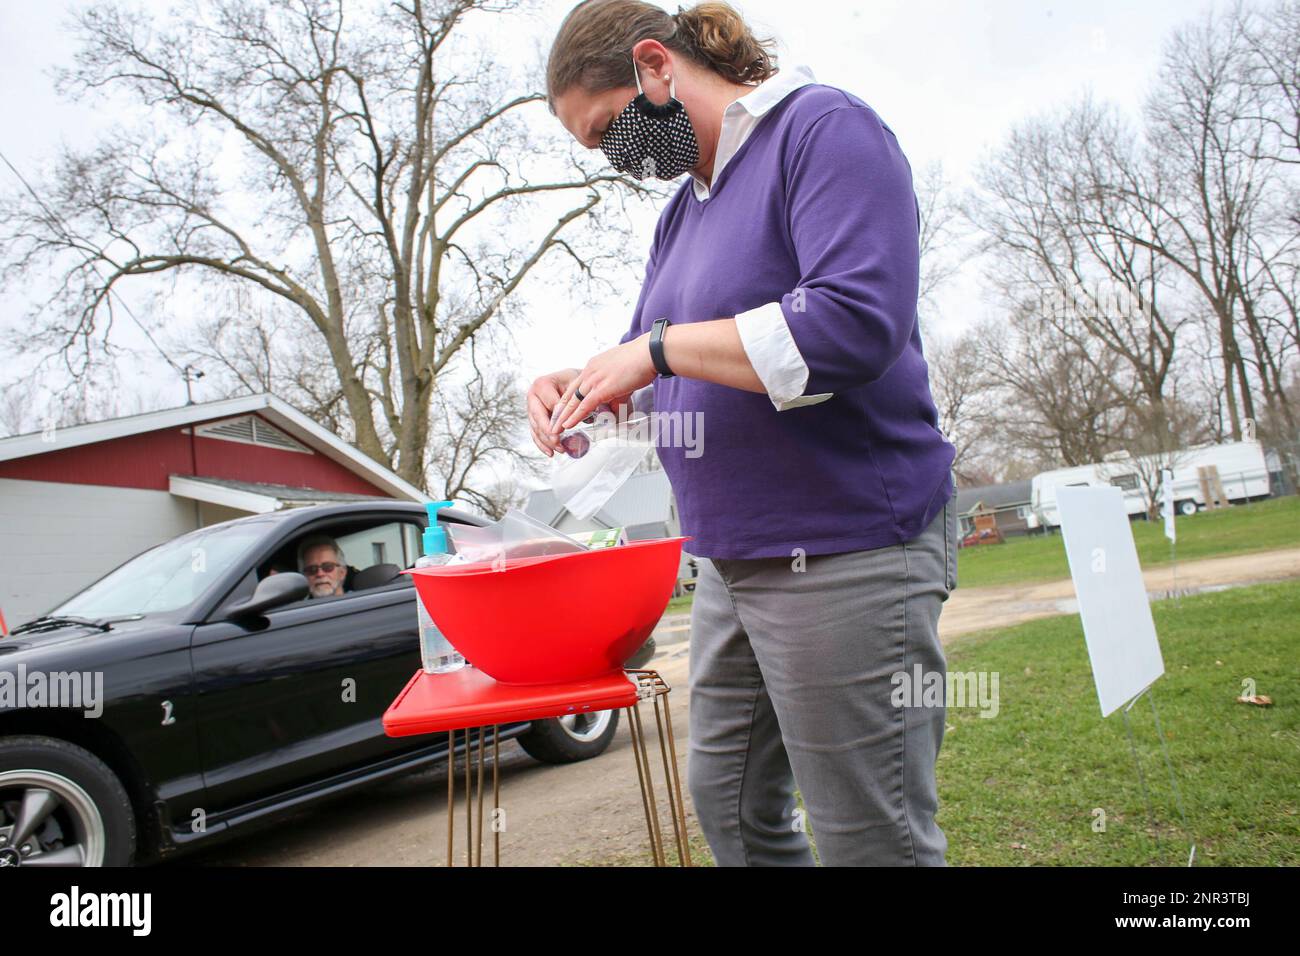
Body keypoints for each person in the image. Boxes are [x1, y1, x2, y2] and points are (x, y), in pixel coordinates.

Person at [531, 1, 959, 866]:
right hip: (733, 561)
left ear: (656, 65)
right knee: (732, 813)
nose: (615, 162)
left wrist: (651, 351)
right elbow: (663, 370)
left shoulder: (824, 130)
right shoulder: (682, 214)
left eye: (609, 131)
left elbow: (853, 324)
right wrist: (583, 390)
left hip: (845, 545)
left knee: (868, 838)